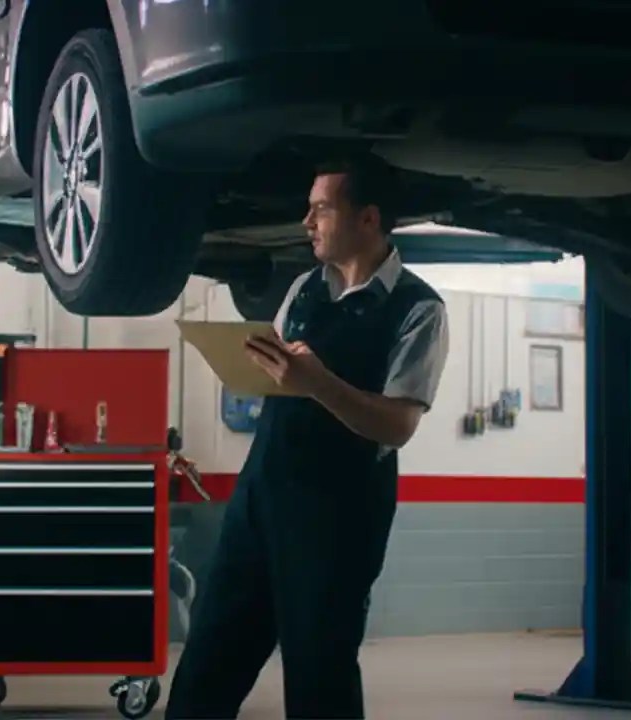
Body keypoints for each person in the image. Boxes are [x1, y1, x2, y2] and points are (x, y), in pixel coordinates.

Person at [164, 155, 450, 719]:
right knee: (205, 670)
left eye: (321, 208)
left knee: (321, 678)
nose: (306, 221)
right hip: (260, 501)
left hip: (338, 521)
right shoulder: (304, 289)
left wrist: (317, 383)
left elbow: (398, 425)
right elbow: (285, 380)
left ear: (367, 219)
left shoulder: (419, 310)